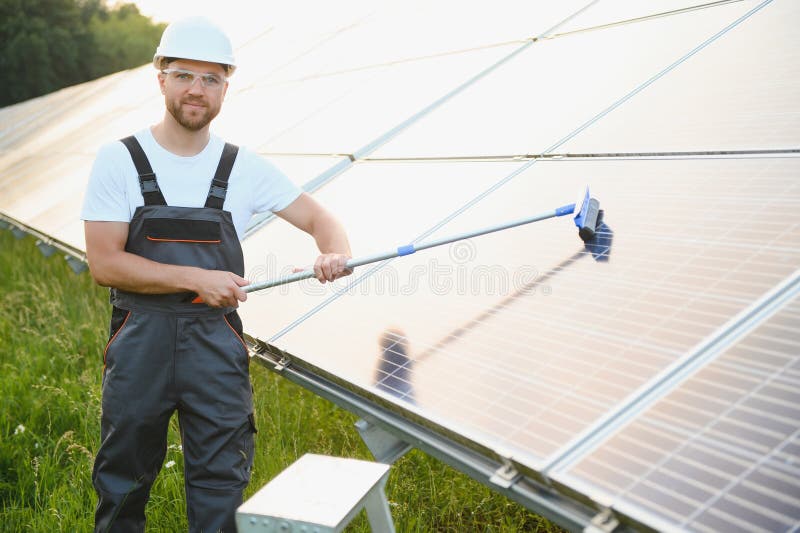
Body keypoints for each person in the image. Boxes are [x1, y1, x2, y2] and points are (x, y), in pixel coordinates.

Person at [80, 16, 352, 532]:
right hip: (141, 339)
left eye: (211, 79)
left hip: (216, 346)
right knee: (124, 480)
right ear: (160, 77)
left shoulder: (242, 166)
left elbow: (321, 218)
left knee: (221, 485)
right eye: (184, 75)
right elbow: (105, 263)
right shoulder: (119, 160)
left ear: (227, 86)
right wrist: (195, 279)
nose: (196, 90)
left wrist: (333, 252)